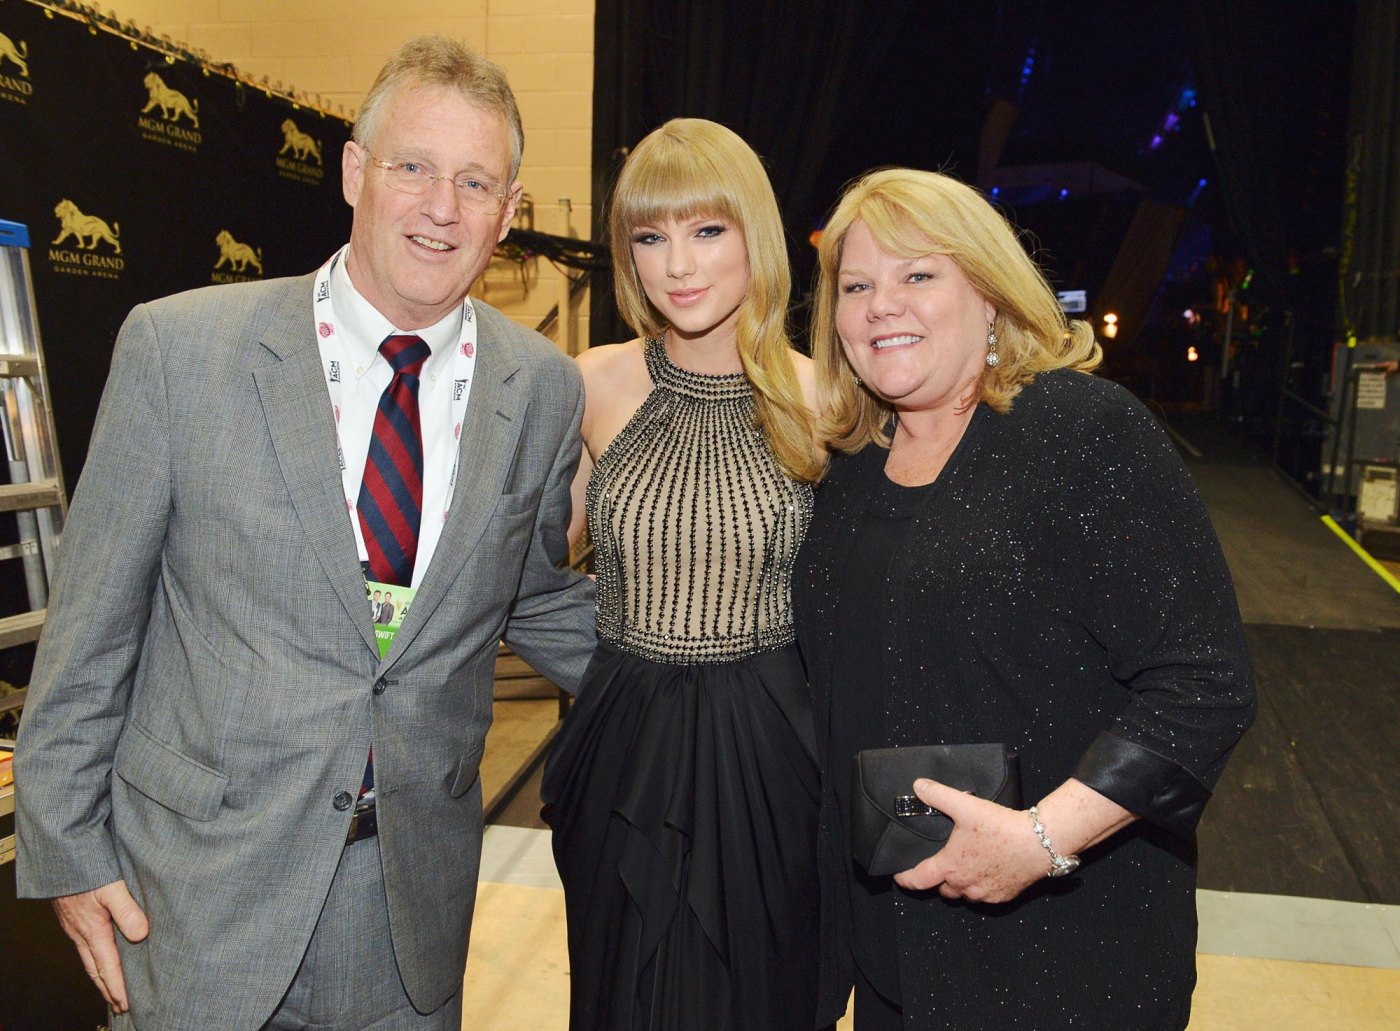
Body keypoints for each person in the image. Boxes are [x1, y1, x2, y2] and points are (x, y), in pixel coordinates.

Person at [14, 35, 595, 1031]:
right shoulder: (180, 350)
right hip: (193, 896)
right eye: (413, 166)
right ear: (356, 172)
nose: (441, 207)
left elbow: (533, 591)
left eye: (475, 182)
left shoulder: (540, 389)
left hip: (408, 908)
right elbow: (90, 629)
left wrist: (722, 673)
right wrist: (69, 855)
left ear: (505, 212)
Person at [792, 168, 1256, 1031]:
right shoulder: (848, 472)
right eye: (857, 285)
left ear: (990, 293)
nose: (880, 305)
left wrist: (1040, 841)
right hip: (892, 954)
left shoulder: (1084, 434)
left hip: (1063, 957)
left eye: (918, 276)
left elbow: (1204, 683)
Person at [540, 118, 826, 1030]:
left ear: (755, 235)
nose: (678, 264)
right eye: (650, 236)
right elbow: (522, 568)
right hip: (622, 747)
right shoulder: (593, 383)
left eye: (707, 230)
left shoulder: (825, 399)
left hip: (769, 757)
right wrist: (600, 665)